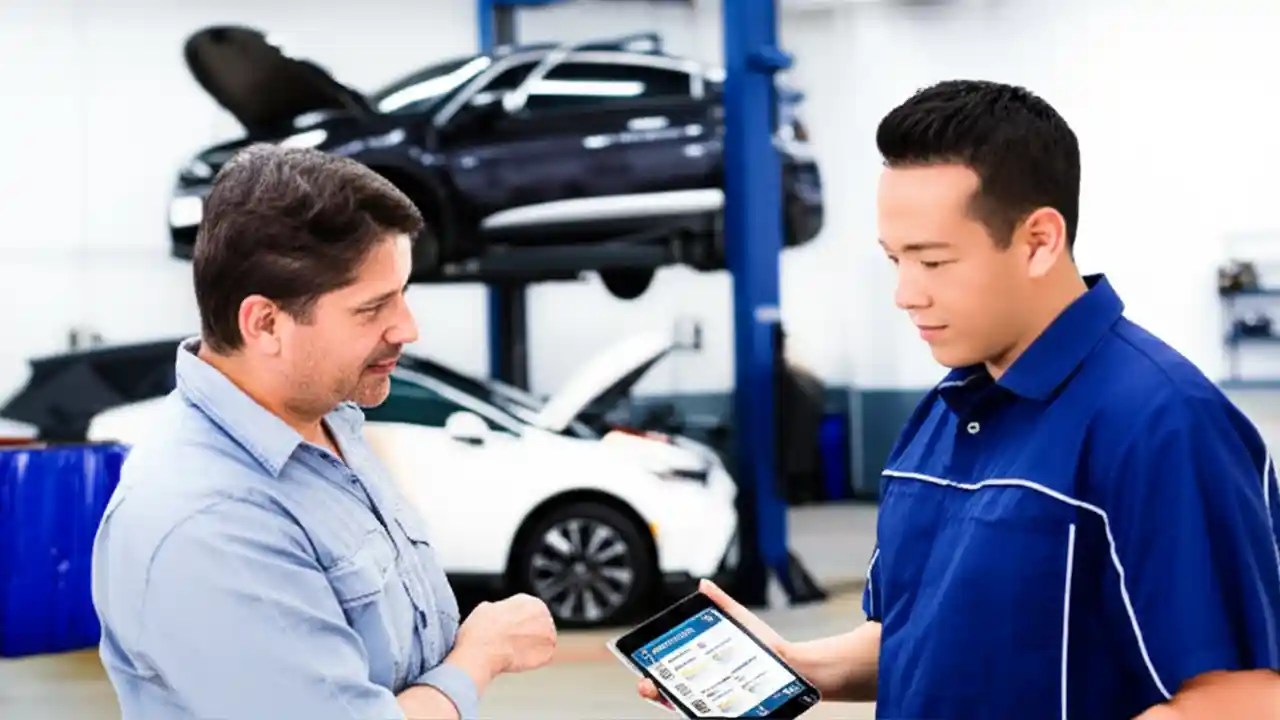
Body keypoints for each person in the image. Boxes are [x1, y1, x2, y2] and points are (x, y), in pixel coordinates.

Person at [642, 80, 1280, 718]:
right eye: (896, 260)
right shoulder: (944, 414)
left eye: (934, 262)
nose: (905, 294)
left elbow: (1243, 699)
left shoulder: (1162, 423)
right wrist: (798, 666)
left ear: (1039, 242)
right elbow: (922, 632)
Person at [91, 144, 556, 720]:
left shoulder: (328, 424)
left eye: (403, 294)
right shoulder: (208, 523)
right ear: (265, 323)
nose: (407, 328)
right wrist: (479, 657)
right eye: (373, 307)